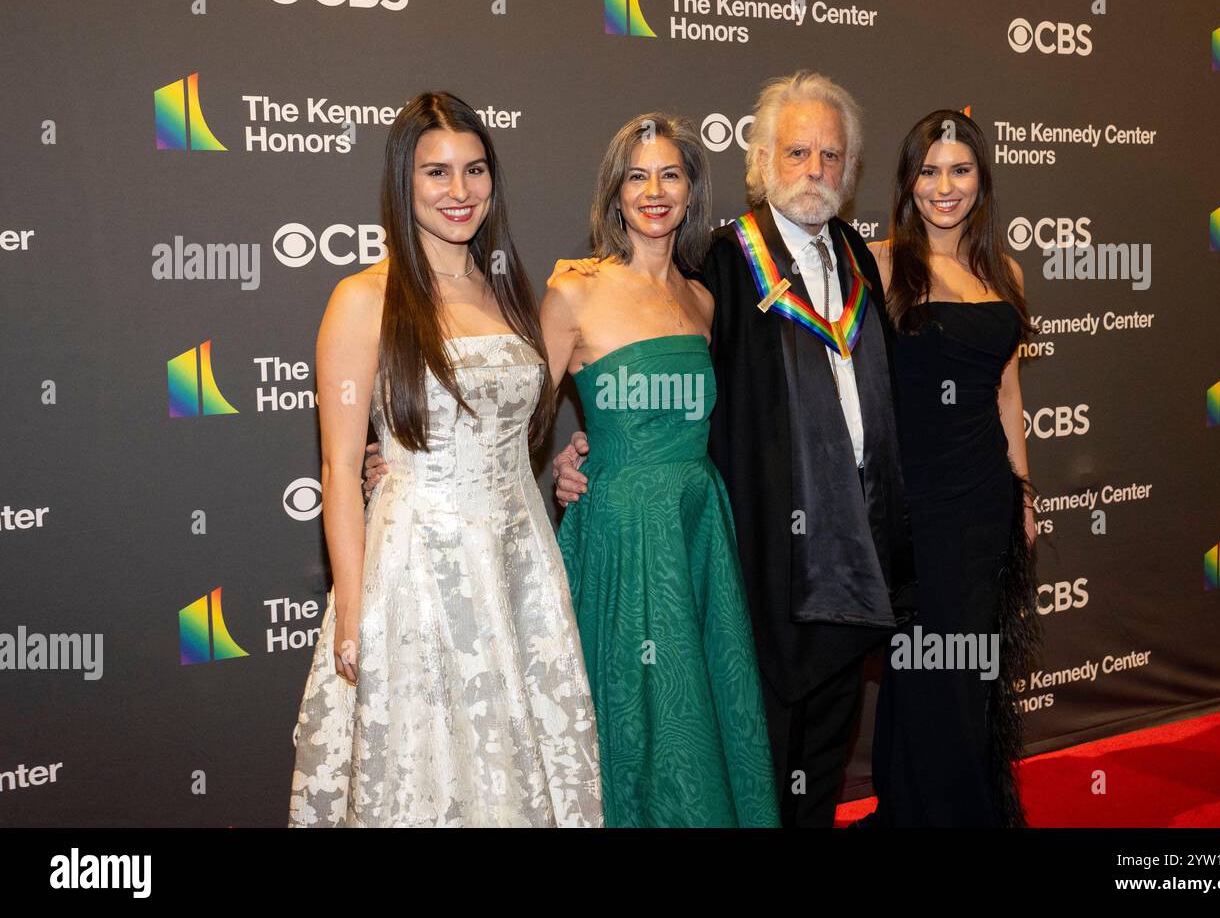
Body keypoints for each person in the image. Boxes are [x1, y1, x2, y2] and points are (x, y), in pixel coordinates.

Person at [368, 113, 779, 827]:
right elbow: (517, 412)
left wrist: (567, 449)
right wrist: (416, 459)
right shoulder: (576, 291)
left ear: (691, 190)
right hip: (622, 530)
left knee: (701, 704)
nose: (654, 191)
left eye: (671, 175)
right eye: (636, 177)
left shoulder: (703, 299)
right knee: (636, 712)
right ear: (614, 194)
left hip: (695, 520)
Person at [554, 72, 915, 828]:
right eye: (796, 153)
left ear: (849, 172)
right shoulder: (723, 264)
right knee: (757, 746)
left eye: (828, 155)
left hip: (854, 547)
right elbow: (657, 377)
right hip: (760, 558)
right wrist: (583, 446)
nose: (813, 170)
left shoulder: (856, 257)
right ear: (761, 163)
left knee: (827, 744)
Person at [288, 91, 602, 827]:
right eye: (436, 173)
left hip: (520, 557)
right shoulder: (365, 298)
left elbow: (516, 421)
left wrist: (570, 458)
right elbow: (338, 468)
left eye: (475, 170)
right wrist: (354, 613)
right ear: (404, 181)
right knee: (429, 768)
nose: (459, 192)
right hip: (417, 565)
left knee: (516, 761)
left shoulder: (509, 293)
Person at [864, 108, 1039, 827]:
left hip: (985, 502)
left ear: (981, 179)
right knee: (926, 669)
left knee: (973, 674)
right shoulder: (878, 263)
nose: (945, 186)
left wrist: (1024, 495)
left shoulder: (1006, 270)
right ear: (908, 182)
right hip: (916, 507)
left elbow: (1008, 391)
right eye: (930, 171)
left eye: (960, 170)